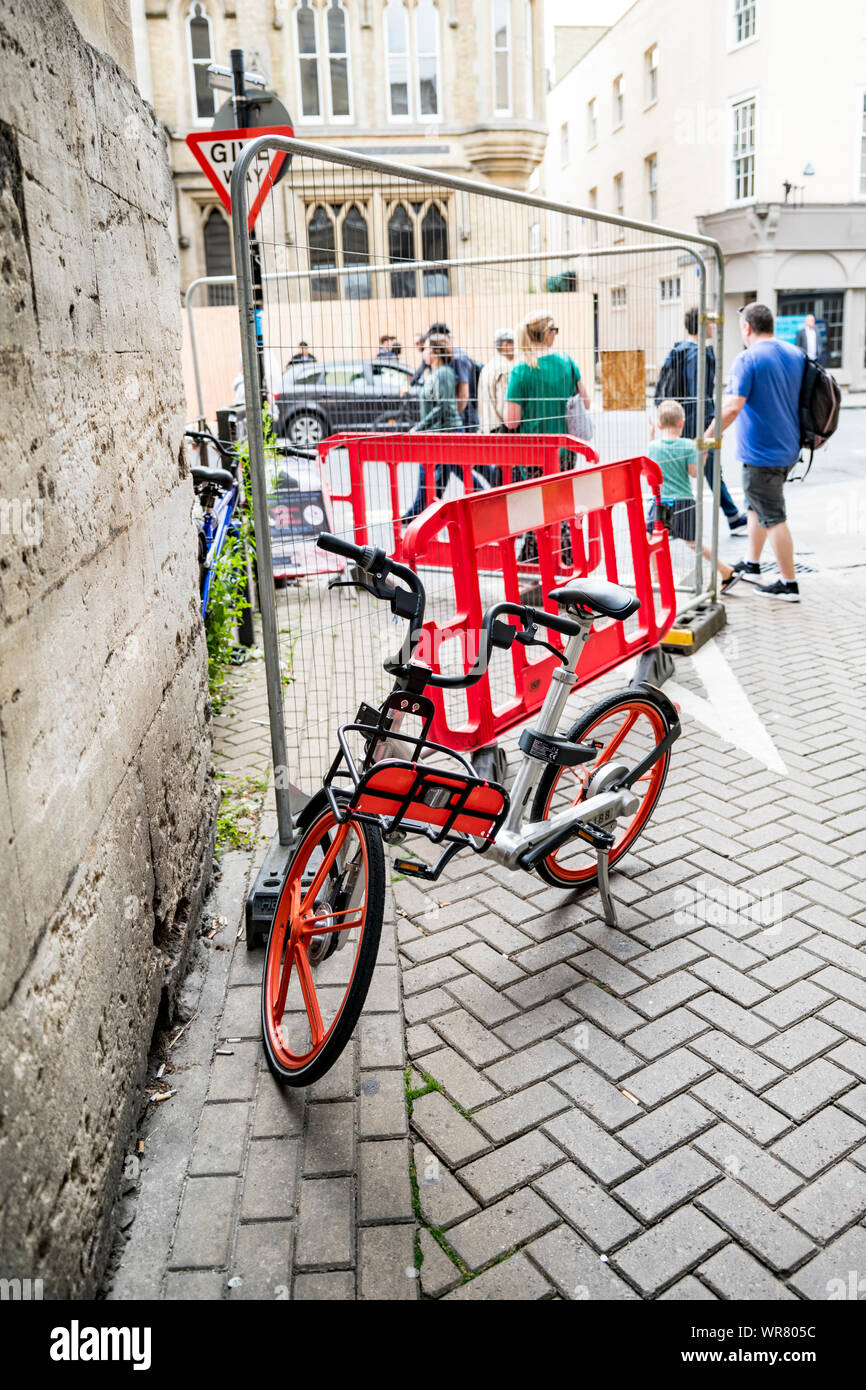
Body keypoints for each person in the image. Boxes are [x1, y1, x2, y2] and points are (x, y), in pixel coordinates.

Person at [706, 302, 806, 602]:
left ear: (747, 327)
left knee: (773, 515)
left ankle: (789, 584)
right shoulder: (794, 354)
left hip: (763, 453)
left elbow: (732, 406)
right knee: (755, 507)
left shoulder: (748, 359)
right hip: (788, 446)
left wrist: (707, 438)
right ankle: (751, 564)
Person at [655, 307, 747, 534]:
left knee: (676, 474)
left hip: (679, 420)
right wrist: (708, 428)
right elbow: (700, 395)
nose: (713, 325)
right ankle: (732, 516)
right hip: (698, 423)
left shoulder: (679, 349)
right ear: (701, 323)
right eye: (709, 321)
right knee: (712, 470)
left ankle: (668, 522)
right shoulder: (700, 354)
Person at [648, 400, 740, 596]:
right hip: (685, 501)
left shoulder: (654, 447)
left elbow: (650, 471)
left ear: (659, 424)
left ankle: (656, 579)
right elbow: (695, 473)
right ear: (682, 422)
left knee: (652, 539)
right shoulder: (688, 446)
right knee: (692, 542)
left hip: (661, 501)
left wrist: (651, 435)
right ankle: (724, 570)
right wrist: (703, 454)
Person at [504, 313, 588, 443]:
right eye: (555, 330)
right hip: (566, 447)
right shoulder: (567, 363)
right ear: (546, 333)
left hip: (532, 452)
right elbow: (586, 403)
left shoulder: (520, 371)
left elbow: (511, 422)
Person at [477, 330, 515, 433]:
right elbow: (503, 405)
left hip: (486, 427)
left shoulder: (488, 367)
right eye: (514, 343)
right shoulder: (506, 368)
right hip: (501, 429)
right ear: (505, 345)